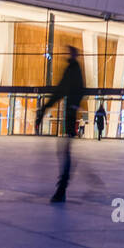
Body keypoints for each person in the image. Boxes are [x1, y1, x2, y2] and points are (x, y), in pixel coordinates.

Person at [36, 46, 85, 203]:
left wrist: (72, 106)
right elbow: (60, 91)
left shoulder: (74, 70)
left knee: (64, 152)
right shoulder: (71, 69)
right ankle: (62, 186)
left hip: (70, 116)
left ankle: (62, 188)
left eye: (71, 52)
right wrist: (44, 109)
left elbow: (71, 90)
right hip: (69, 115)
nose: (69, 54)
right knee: (63, 151)